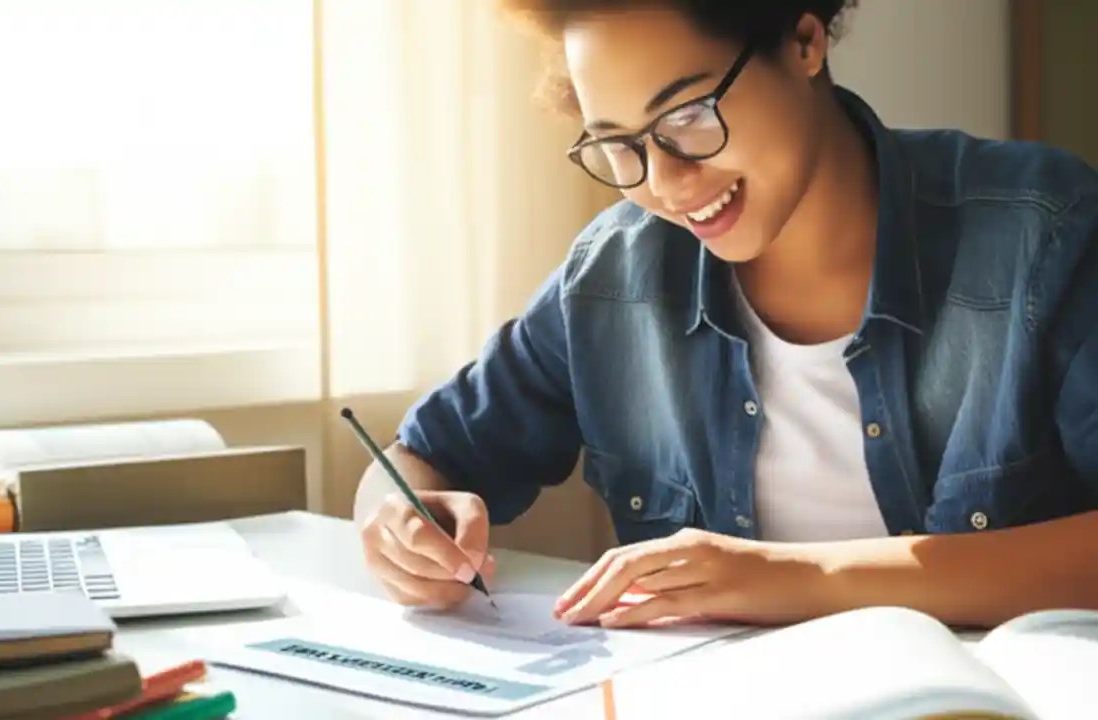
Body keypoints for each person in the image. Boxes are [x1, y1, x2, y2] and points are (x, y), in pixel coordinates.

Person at [353, 0, 1098, 630]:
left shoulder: (1042, 233)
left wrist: (790, 579)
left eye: (689, 114)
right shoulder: (615, 279)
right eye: (621, 144)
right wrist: (395, 519)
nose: (669, 182)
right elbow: (419, 457)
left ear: (804, 42)